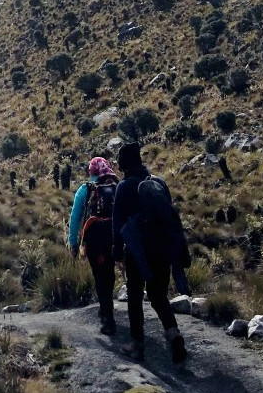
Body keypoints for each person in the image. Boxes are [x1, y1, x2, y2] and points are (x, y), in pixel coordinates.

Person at [112, 141, 187, 363]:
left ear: (123, 165)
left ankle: (137, 345)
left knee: (135, 296)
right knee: (158, 295)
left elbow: (117, 224)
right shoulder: (159, 182)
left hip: (137, 251)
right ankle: (173, 333)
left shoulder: (124, 187)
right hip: (163, 247)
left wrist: (117, 254)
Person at [68, 156, 118, 335]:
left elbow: (75, 217)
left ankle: (107, 318)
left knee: (99, 276)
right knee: (109, 273)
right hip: (114, 238)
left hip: (95, 241)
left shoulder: (86, 189)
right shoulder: (116, 185)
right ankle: (106, 308)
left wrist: (73, 243)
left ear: (91, 171)